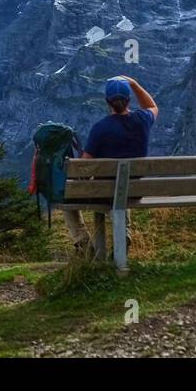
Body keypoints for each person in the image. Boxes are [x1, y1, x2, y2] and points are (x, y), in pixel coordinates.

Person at [65, 75, 159, 257]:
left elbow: (84, 166)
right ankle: (123, 233)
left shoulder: (101, 128)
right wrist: (134, 83)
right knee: (122, 187)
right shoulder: (142, 120)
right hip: (134, 190)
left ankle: (82, 241)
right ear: (129, 100)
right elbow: (152, 107)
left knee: (67, 194)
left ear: (107, 102)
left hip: (103, 193)